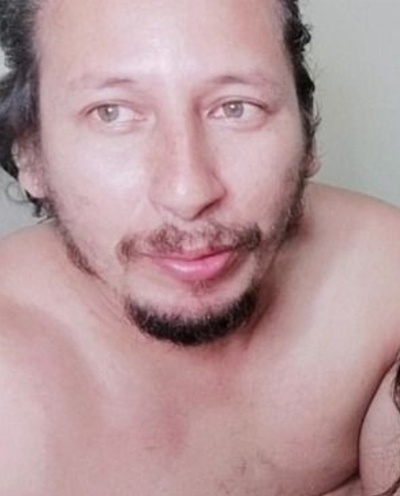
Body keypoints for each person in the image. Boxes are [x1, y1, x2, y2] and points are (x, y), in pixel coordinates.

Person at [0, 0, 399, 494]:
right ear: (30, 155)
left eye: (235, 107)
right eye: (111, 113)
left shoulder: (384, 293)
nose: (188, 193)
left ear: (307, 132)